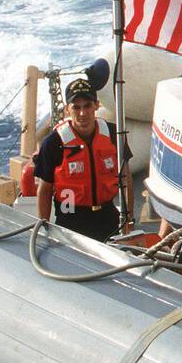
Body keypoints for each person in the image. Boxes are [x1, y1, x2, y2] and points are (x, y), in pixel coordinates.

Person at [34, 78, 134, 241]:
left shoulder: (113, 134)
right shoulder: (53, 143)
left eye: (87, 105)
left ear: (96, 105)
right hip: (71, 219)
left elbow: (126, 179)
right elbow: (44, 189)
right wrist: (44, 227)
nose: (82, 113)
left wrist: (129, 220)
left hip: (107, 216)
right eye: (76, 107)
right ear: (67, 109)